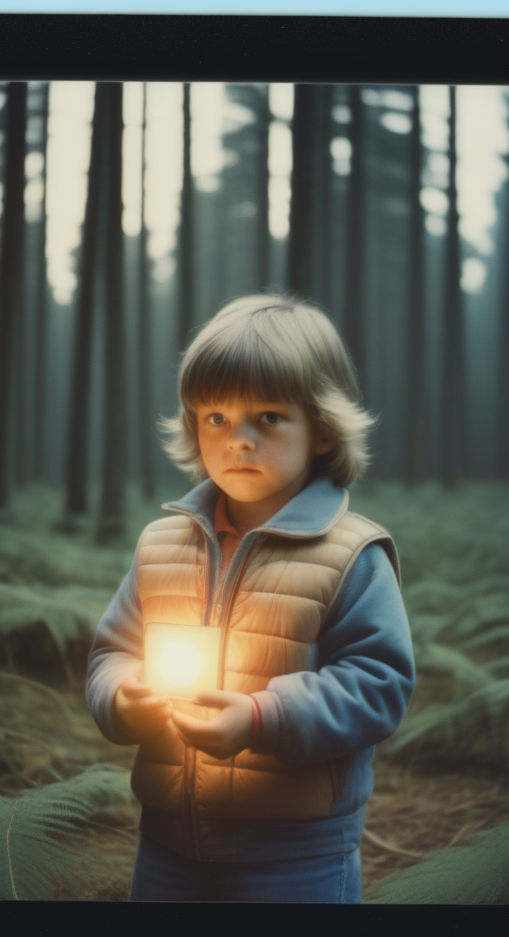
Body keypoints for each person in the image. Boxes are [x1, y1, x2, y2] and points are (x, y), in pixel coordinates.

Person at [86, 294, 414, 902]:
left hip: (296, 856)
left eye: (267, 417)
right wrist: (122, 697)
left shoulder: (351, 553)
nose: (238, 440)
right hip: (165, 844)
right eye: (216, 418)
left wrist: (262, 717)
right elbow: (112, 653)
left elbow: (380, 683)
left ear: (320, 427)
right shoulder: (162, 543)